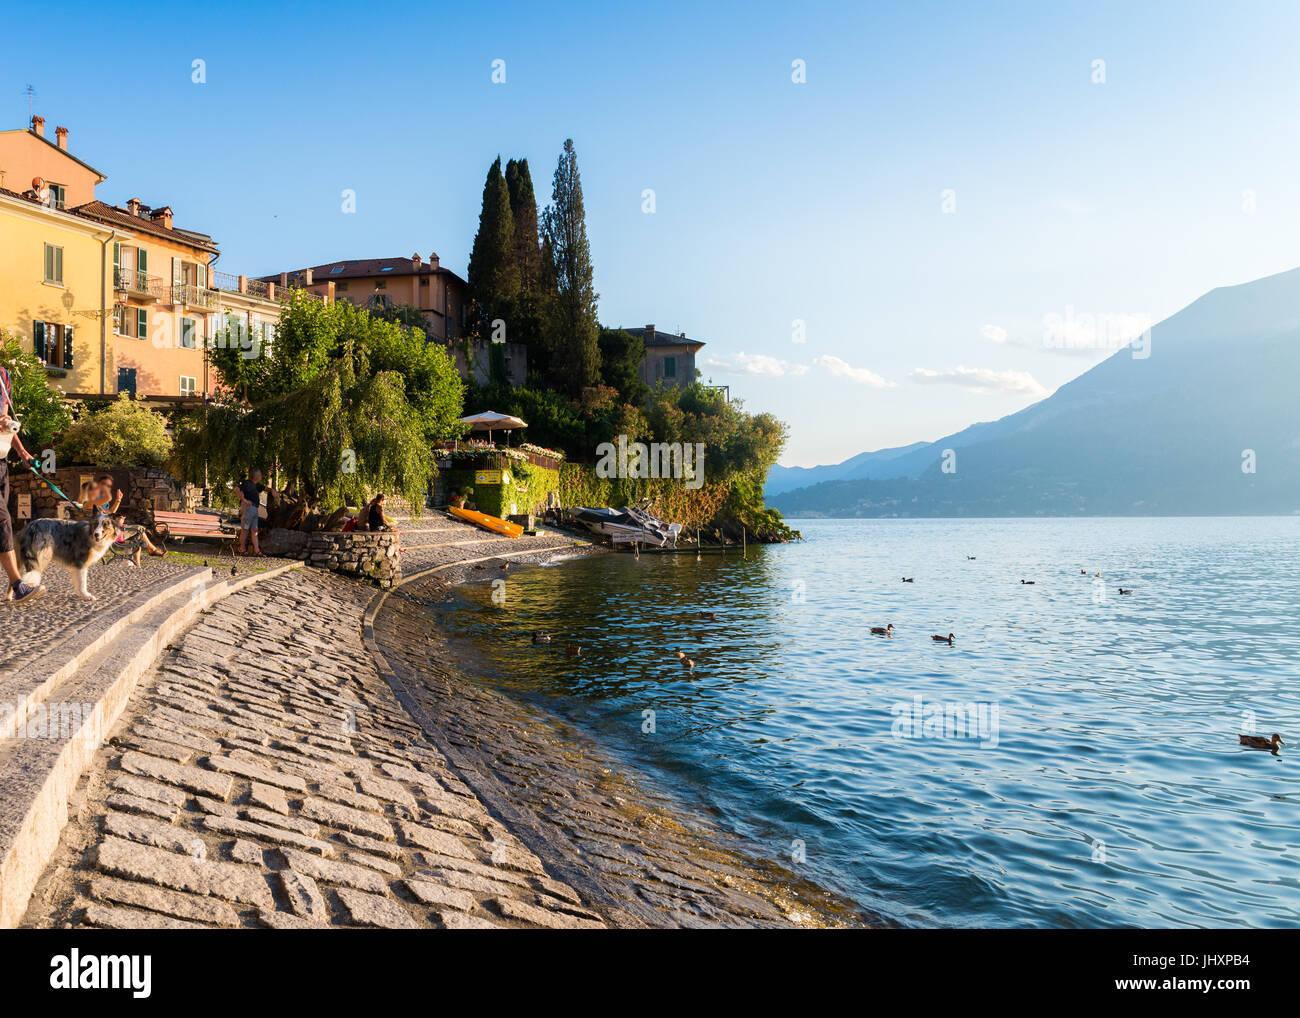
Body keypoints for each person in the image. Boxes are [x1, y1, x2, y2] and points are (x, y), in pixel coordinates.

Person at [0, 362, 43, 601]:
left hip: (1, 459)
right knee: (3, 521)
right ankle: (18, 586)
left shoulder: (3, 376)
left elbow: (5, 421)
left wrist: (23, 453)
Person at [82, 474, 166, 558]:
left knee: (138, 533)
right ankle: (150, 550)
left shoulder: (97, 504)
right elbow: (108, 499)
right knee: (139, 530)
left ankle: (146, 553)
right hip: (108, 533)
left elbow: (110, 513)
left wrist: (118, 500)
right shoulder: (88, 504)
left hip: (108, 530)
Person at [236, 468, 278, 556]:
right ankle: (242, 549)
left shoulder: (256, 485)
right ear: (256, 476)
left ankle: (257, 550)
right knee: (245, 530)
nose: (261, 477)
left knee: (254, 530)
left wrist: (272, 490)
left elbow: (265, 488)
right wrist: (244, 500)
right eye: (260, 475)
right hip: (248, 508)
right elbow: (236, 489)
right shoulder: (247, 483)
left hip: (255, 508)